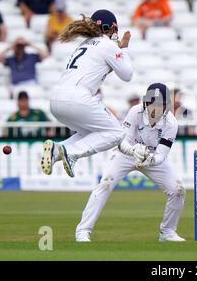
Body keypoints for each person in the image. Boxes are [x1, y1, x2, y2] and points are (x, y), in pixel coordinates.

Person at [75, 83, 185, 242]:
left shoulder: (171, 123)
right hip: (126, 154)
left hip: (151, 157)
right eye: (152, 104)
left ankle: (167, 232)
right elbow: (121, 141)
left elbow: (162, 154)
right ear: (146, 102)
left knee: (178, 189)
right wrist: (134, 151)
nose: (155, 109)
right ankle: (82, 231)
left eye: (159, 105)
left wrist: (150, 159)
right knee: (105, 183)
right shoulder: (136, 112)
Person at [40, 9, 134, 178]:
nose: (115, 34)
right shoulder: (106, 44)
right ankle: (71, 152)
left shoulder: (83, 45)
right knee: (117, 133)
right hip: (77, 98)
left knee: (92, 132)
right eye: (114, 30)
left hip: (56, 99)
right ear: (108, 28)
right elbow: (127, 74)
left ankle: (56, 150)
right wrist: (124, 49)